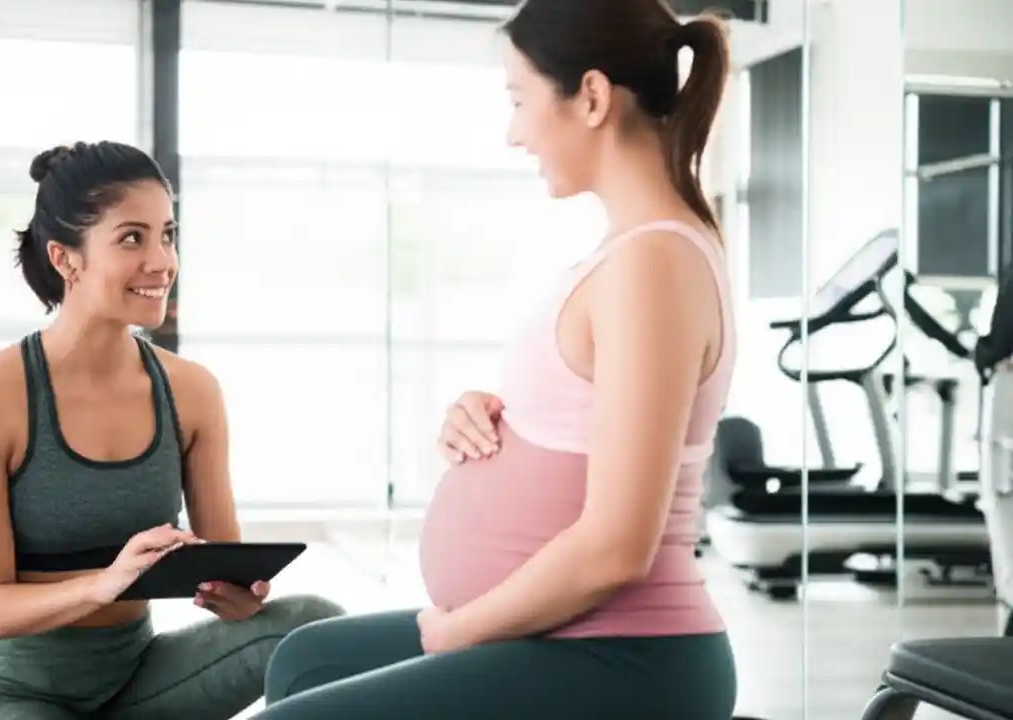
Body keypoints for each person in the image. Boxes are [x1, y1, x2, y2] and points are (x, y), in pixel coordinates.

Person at [258, 1, 738, 718]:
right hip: (569, 637)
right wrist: (497, 422)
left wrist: (460, 629)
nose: (514, 133)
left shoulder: (655, 262)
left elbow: (618, 546)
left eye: (519, 100)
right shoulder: (634, 252)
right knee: (308, 660)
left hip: (627, 655)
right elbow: (585, 422)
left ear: (593, 97)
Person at [0, 140, 344, 720]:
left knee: (312, 628)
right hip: (16, 695)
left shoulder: (191, 391)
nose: (162, 262)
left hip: (136, 680)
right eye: (132, 238)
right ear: (65, 258)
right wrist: (104, 584)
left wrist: (237, 595)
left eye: (168, 234)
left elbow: (225, 568)